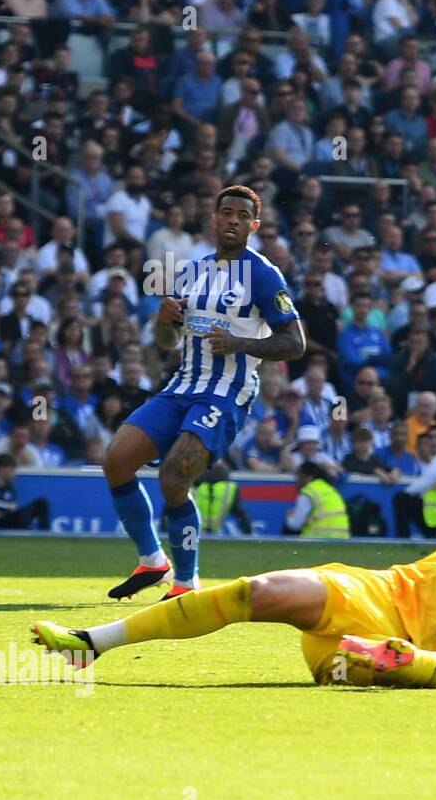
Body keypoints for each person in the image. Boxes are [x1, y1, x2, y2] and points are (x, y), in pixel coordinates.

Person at [31, 501, 436, 689]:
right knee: (252, 591)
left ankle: (367, 662)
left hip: (356, 648)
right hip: (362, 594)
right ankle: (93, 643)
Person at [102, 185, 305, 601]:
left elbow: (295, 343)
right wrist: (164, 319)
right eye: (225, 212)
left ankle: (186, 583)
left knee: (174, 474)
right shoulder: (192, 270)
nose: (232, 220)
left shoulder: (264, 274)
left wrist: (241, 343)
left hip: (226, 393)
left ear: (254, 224)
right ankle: (153, 562)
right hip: (182, 385)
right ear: (213, 219)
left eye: (241, 215)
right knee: (116, 461)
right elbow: (164, 343)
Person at [283, 462, 350, 539]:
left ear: (309, 477)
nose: (296, 480)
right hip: (343, 540)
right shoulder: (330, 489)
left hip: (318, 540)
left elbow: (295, 525)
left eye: (299, 476)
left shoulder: (308, 492)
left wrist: (289, 517)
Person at [0, 454, 49, 530]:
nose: (14, 474)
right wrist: (3, 515)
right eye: (12, 470)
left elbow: (12, 506)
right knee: (22, 514)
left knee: (42, 503)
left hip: (9, 518)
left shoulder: (10, 487)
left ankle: (45, 534)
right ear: (2, 469)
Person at [194, 460, 252, 535]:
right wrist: (248, 533)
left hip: (192, 532)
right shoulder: (229, 489)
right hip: (216, 533)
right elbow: (241, 514)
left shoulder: (193, 486)